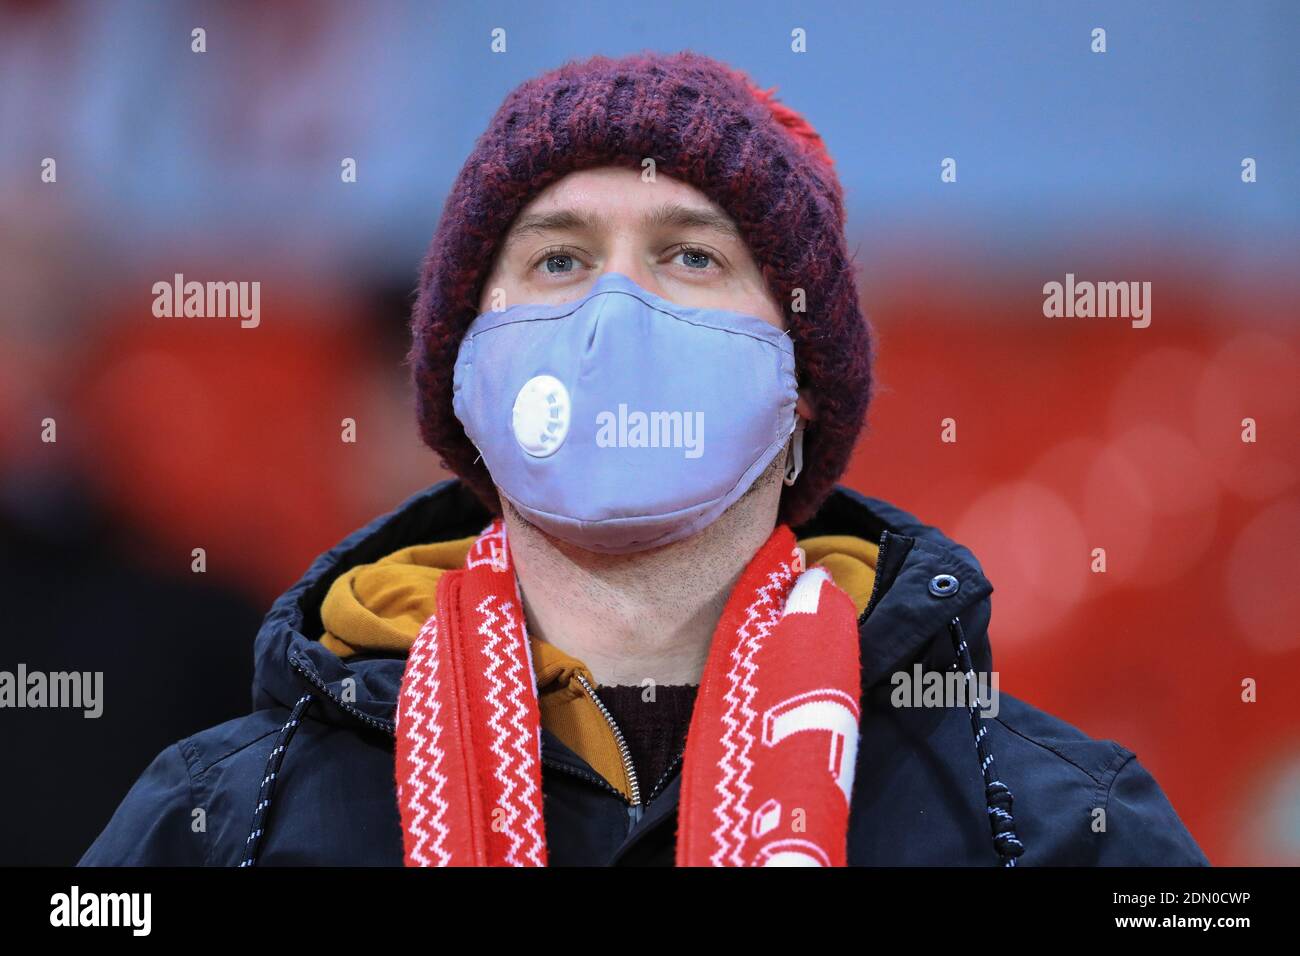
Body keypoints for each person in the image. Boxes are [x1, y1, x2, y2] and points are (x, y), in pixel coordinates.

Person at [79, 50, 1208, 867]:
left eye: (690, 255)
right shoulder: (220, 821)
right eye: (560, 259)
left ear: (799, 378)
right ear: (464, 380)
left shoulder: (1050, 821)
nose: (616, 310)